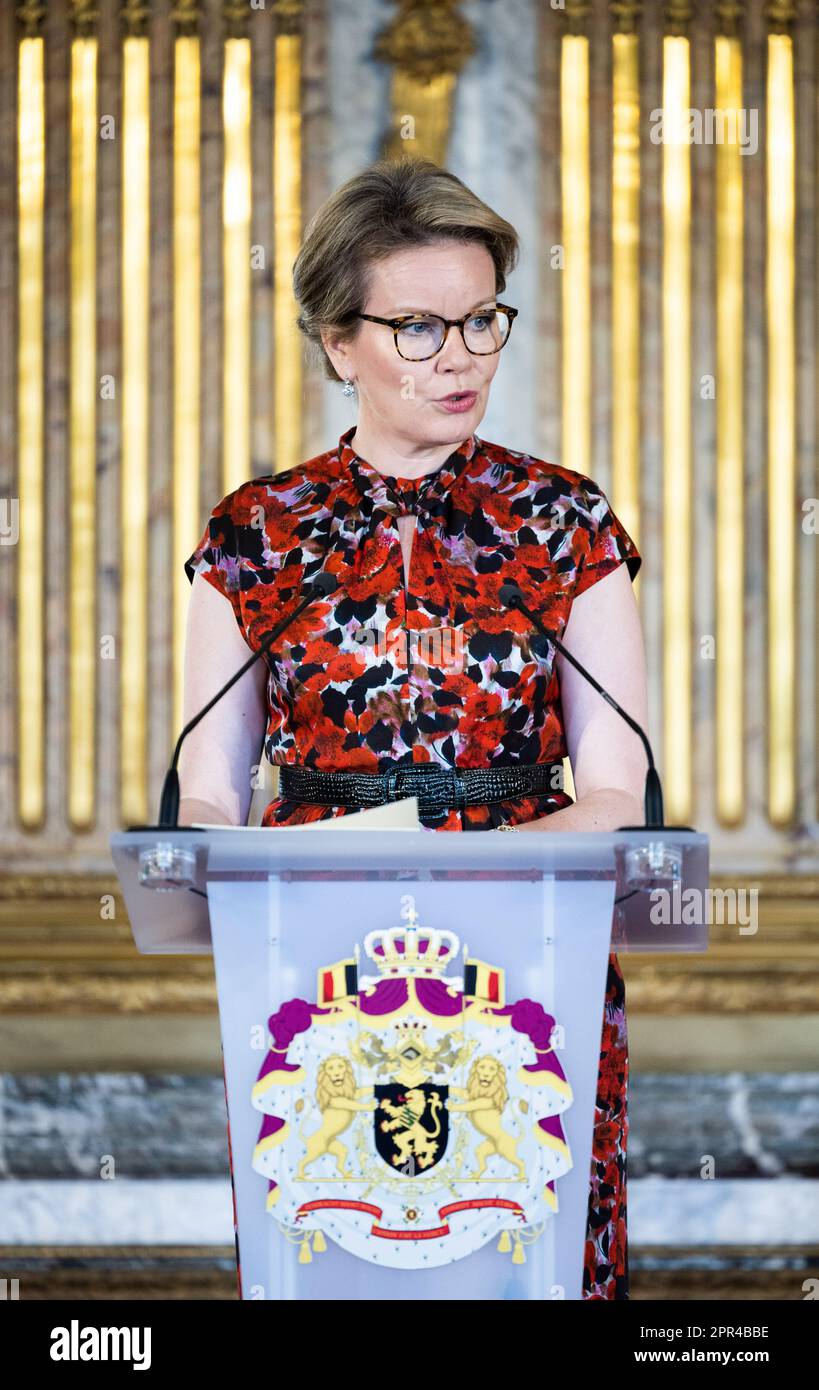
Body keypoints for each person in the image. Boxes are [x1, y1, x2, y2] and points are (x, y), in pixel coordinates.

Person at [180, 156, 646, 1299]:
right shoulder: (257, 533)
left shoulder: (564, 519)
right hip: (313, 972)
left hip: (531, 962)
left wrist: (461, 869)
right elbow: (204, 789)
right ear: (340, 341)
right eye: (422, 328)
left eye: (484, 320)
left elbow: (618, 790)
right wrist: (223, 854)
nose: (465, 358)